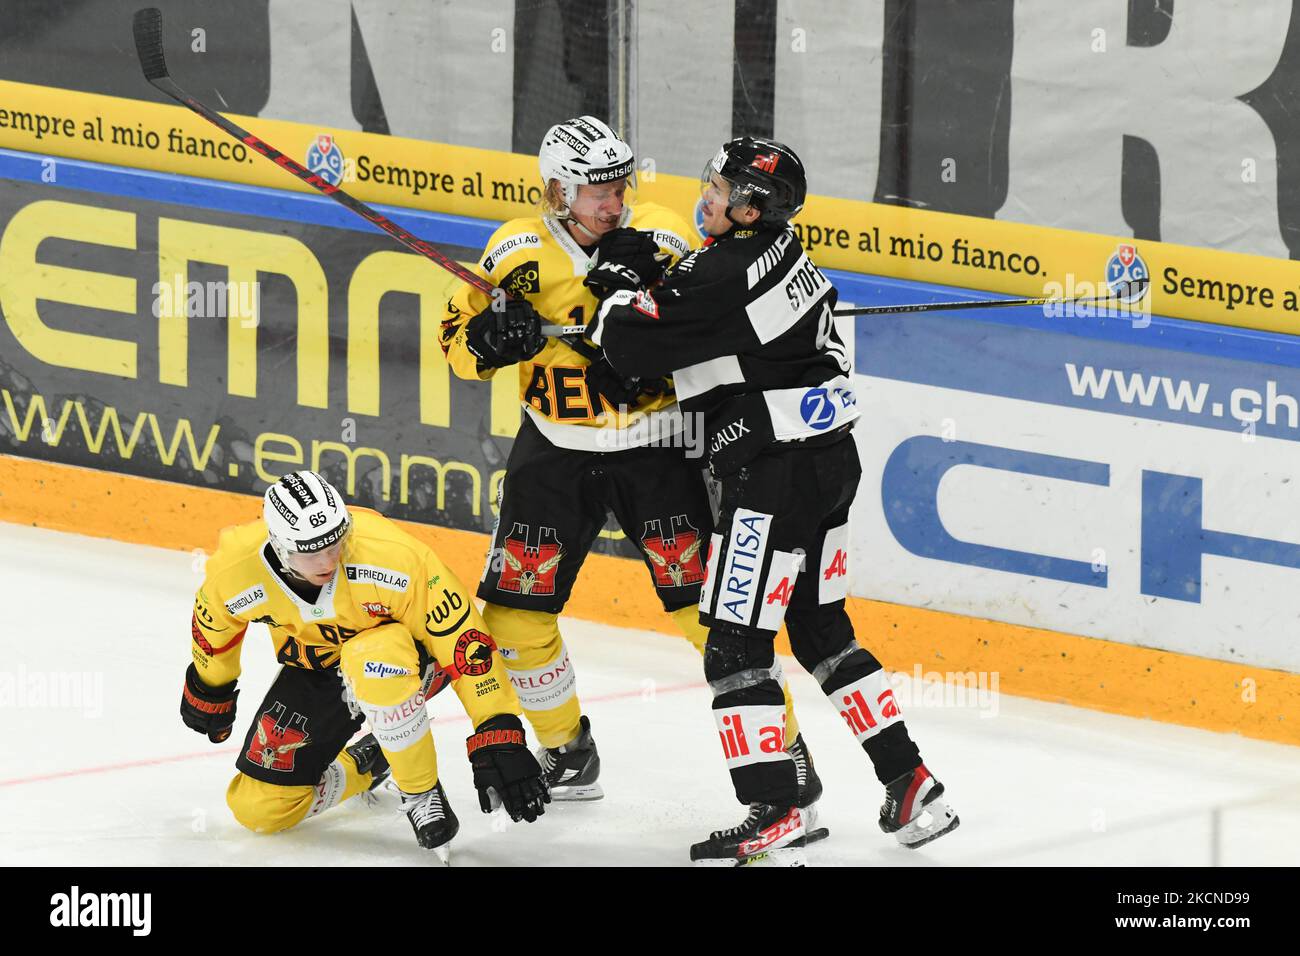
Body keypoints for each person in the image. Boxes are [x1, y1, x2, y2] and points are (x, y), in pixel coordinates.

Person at [590, 137, 960, 865]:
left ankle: (776, 809)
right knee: (821, 629)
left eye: (721, 188)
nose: (708, 195)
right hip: (829, 466)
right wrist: (656, 284)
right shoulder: (786, 251)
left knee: (734, 641)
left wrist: (612, 289)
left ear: (752, 207)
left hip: (773, 479)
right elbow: (716, 316)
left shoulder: (724, 269)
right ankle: (910, 781)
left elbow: (628, 346)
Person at [441, 116, 821, 812]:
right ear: (557, 192)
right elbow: (454, 348)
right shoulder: (515, 251)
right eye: (596, 193)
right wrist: (490, 340)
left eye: (621, 186)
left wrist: (643, 346)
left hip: (656, 452)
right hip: (552, 453)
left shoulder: (668, 236)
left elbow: (709, 327)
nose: (613, 204)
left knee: (713, 619)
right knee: (516, 620)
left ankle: (783, 752)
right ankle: (566, 749)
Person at [181, 470, 548, 859]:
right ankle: (368, 762)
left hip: (406, 660)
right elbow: (213, 624)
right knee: (257, 808)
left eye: (335, 543)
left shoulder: (393, 556)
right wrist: (211, 686)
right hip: (319, 668)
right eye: (310, 551)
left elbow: (464, 642)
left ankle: (420, 792)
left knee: (372, 660)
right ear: (280, 546)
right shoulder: (235, 569)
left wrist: (498, 727)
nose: (327, 560)